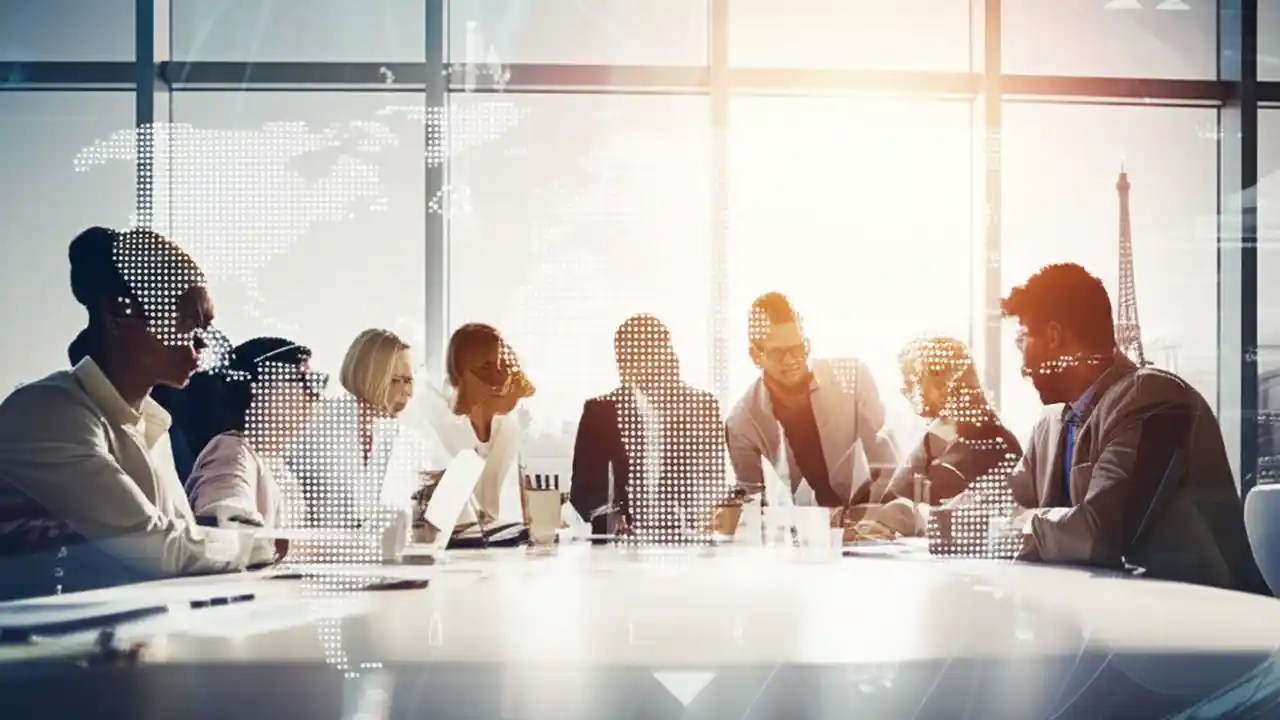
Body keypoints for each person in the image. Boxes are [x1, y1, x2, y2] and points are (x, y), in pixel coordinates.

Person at [0, 226, 248, 599]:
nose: (199, 345)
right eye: (186, 323)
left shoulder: (152, 427)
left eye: (205, 331)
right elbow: (157, 548)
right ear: (118, 312)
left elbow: (178, 543)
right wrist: (257, 545)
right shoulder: (47, 412)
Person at [1002, 263, 1269, 593]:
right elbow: (1004, 502)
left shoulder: (1154, 399)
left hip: (1211, 626)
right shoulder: (1050, 425)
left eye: (1022, 339)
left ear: (1054, 336)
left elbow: (1099, 534)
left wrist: (1014, 527)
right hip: (1109, 619)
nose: (1022, 364)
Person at [725, 292, 897, 511]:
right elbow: (753, 500)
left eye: (798, 348)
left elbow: (887, 462)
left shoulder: (852, 378)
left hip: (872, 517)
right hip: (803, 529)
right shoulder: (742, 422)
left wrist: (872, 517)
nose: (791, 360)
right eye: (778, 352)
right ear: (756, 355)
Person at [570, 314, 725, 542]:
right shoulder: (600, 413)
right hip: (618, 551)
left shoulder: (702, 408)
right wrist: (611, 518)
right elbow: (584, 494)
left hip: (686, 545)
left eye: (663, 350)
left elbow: (712, 482)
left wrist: (697, 518)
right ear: (625, 365)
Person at [186, 337, 326, 534]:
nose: (314, 393)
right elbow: (225, 524)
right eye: (303, 379)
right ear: (256, 386)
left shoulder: (276, 465)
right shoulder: (230, 452)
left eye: (316, 381)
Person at [877, 336, 1022, 506]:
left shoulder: (995, 447)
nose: (903, 389)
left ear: (942, 382)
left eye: (911, 381)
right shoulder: (939, 435)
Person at [423, 323, 535, 527]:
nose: (500, 378)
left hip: (506, 547)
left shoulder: (508, 429)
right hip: (454, 549)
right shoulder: (438, 429)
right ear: (458, 373)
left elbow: (517, 511)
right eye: (485, 367)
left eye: (501, 366)